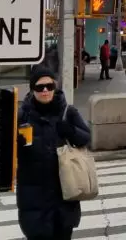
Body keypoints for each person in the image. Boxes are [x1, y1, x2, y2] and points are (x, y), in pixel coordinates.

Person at [16, 65, 91, 240]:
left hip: (64, 196)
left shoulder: (67, 112)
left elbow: (87, 138)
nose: (45, 91)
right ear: (32, 89)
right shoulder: (22, 116)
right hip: (34, 199)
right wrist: (16, 144)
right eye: (39, 87)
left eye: (49, 86)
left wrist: (71, 131)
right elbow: (6, 153)